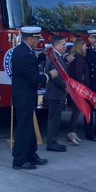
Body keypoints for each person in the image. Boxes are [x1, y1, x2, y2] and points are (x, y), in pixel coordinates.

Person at [11, 27, 58, 170]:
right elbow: (34, 77)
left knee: (30, 129)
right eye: (37, 39)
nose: (38, 41)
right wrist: (49, 76)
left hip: (25, 96)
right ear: (30, 38)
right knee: (23, 129)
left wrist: (42, 55)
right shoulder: (24, 54)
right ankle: (19, 159)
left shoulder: (24, 50)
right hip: (24, 97)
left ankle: (30, 154)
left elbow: (32, 62)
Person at [44, 35, 69, 152]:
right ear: (55, 46)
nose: (65, 47)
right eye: (63, 45)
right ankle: (51, 143)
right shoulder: (53, 58)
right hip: (55, 94)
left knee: (56, 120)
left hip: (57, 94)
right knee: (54, 120)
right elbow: (56, 77)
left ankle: (54, 141)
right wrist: (66, 87)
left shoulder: (57, 56)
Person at [65, 38, 90, 146]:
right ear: (80, 47)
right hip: (78, 88)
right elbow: (79, 74)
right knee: (76, 111)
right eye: (85, 46)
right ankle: (71, 132)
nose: (86, 48)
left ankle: (73, 133)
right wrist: (82, 88)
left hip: (76, 87)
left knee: (77, 110)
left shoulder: (76, 57)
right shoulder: (79, 58)